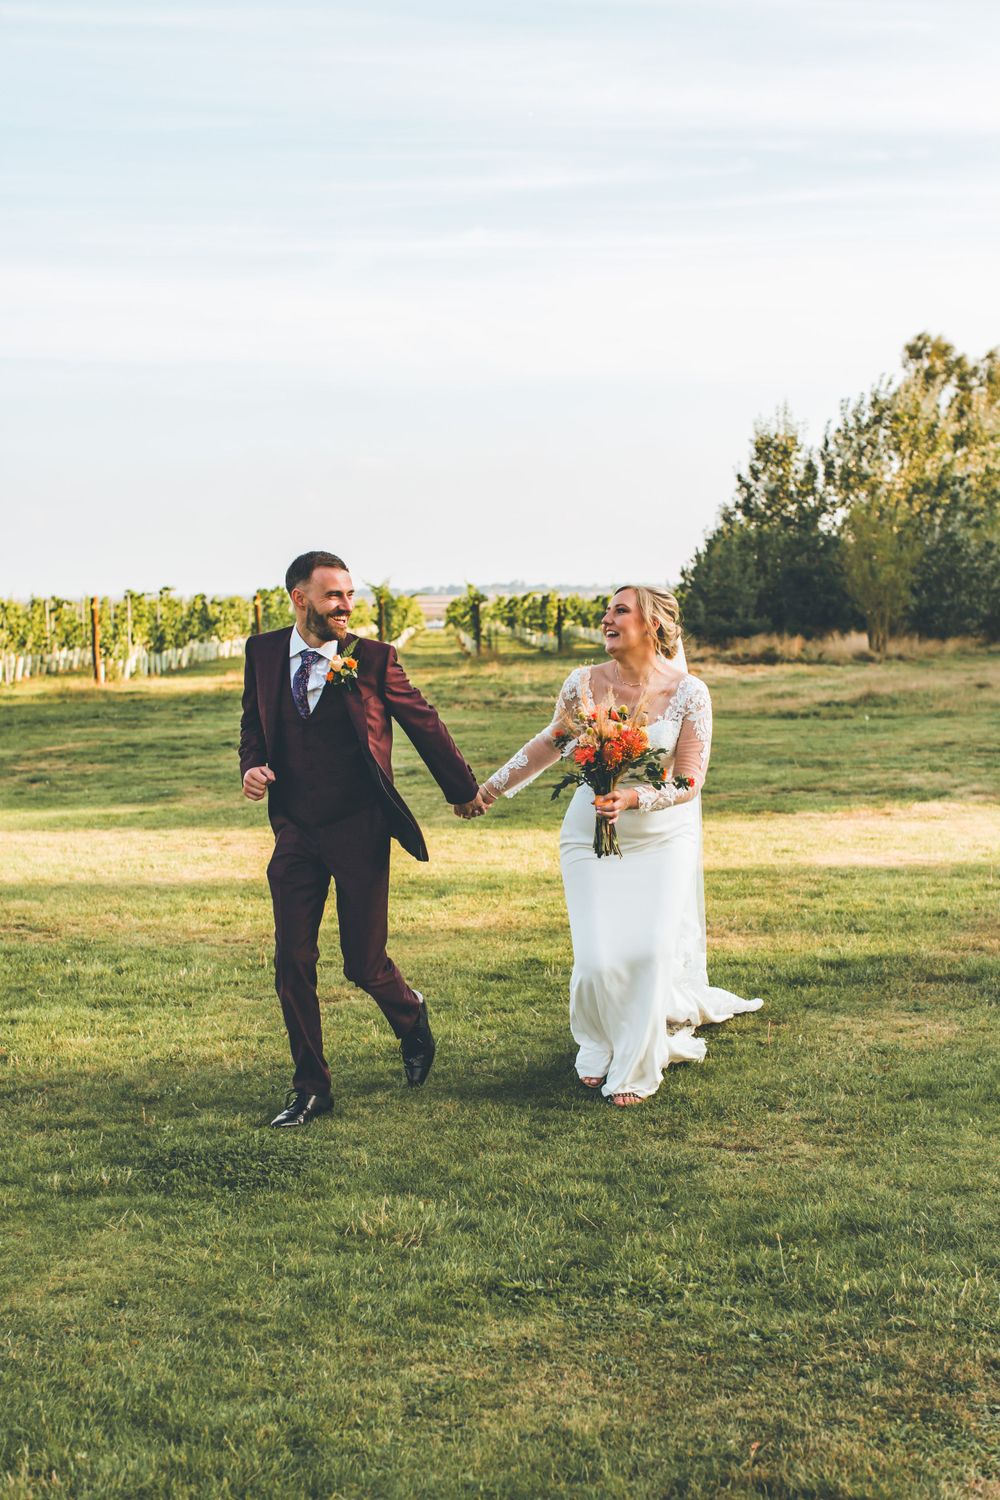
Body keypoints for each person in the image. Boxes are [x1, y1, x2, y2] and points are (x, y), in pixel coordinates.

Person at [475, 585, 762, 1107]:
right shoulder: (582, 684)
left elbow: (691, 780)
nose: (606, 618)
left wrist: (634, 797)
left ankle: (633, 1063)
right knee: (596, 958)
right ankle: (599, 1042)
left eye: (619, 610)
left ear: (652, 624)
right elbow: (550, 742)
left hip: (662, 838)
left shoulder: (690, 692)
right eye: (606, 610)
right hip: (589, 833)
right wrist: (491, 789)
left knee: (649, 951)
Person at [239, 550, 485, 1126]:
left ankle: (410, 1016)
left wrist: (462, 789)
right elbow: (254, 722)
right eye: (333, 596)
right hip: (296, 829)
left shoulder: (372, 659)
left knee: (363, 963)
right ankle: (311, 1088)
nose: (346, 606)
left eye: (350, 595)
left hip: (360, 827)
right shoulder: (263, 653)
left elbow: (422, 720)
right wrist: (252, 766)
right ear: (300, 599)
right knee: (291, 960)